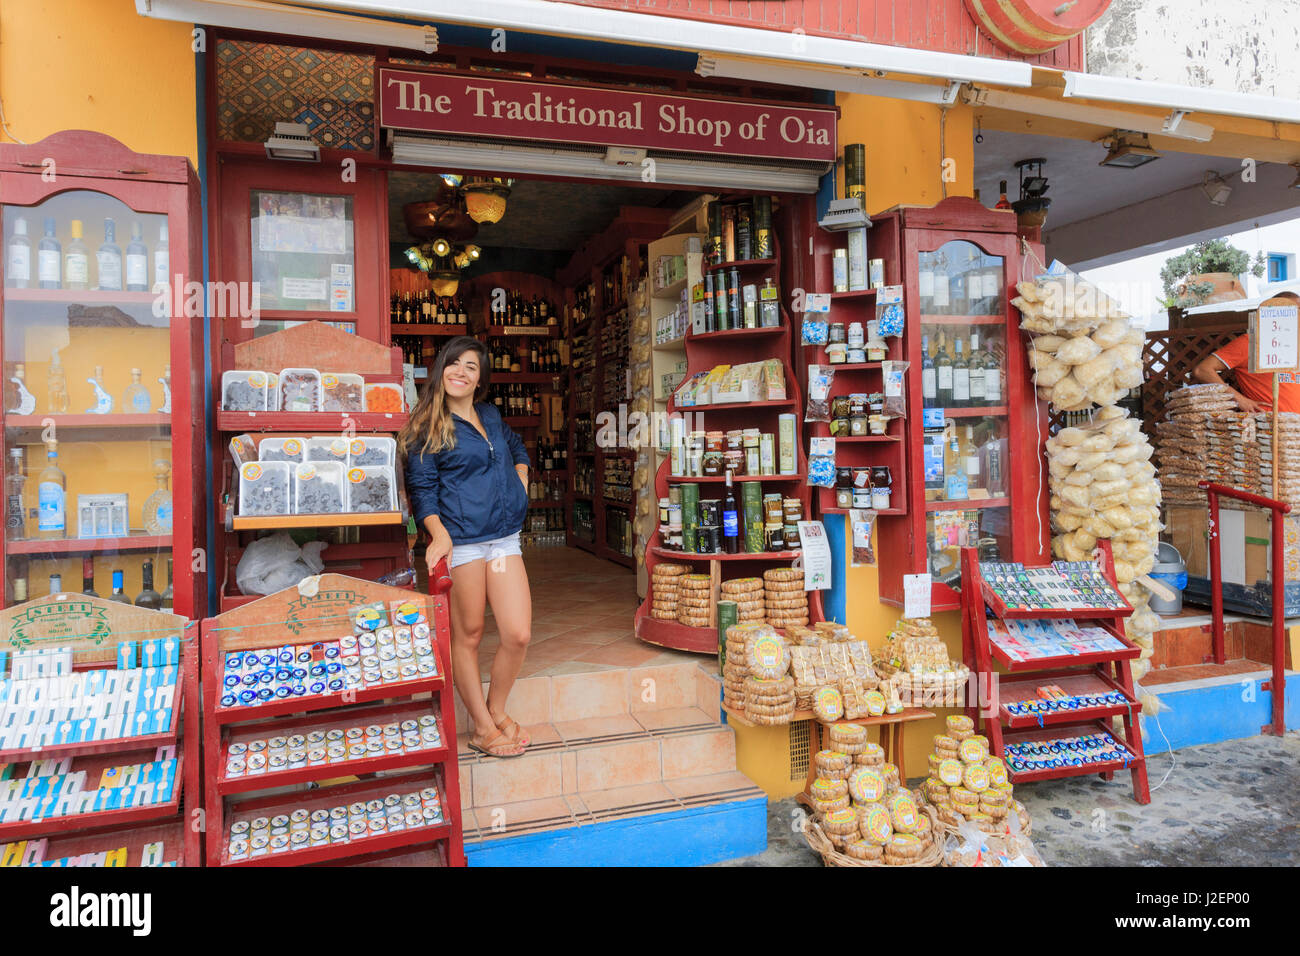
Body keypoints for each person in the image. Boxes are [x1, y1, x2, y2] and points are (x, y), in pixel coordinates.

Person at [399, 335, 533, 758]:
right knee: (469, 633)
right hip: (466, 543)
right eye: (453, 364)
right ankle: (480, 726)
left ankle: (495, 708)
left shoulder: (490, 415)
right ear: (442, 371)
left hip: (504, 538)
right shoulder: (428, 426)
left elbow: (516, 447)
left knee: (517, 632)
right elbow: (422, 489)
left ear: (480, 380)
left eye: (470, 367)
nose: (460, 371)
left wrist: (522, 481)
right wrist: (437, 534)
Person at [1193, 332, 1300, 414]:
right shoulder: (1252, 342)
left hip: (1294, 431)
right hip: (1268, 429)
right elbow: (1202, 370)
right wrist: (1239, 399)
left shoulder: (1295, 344)